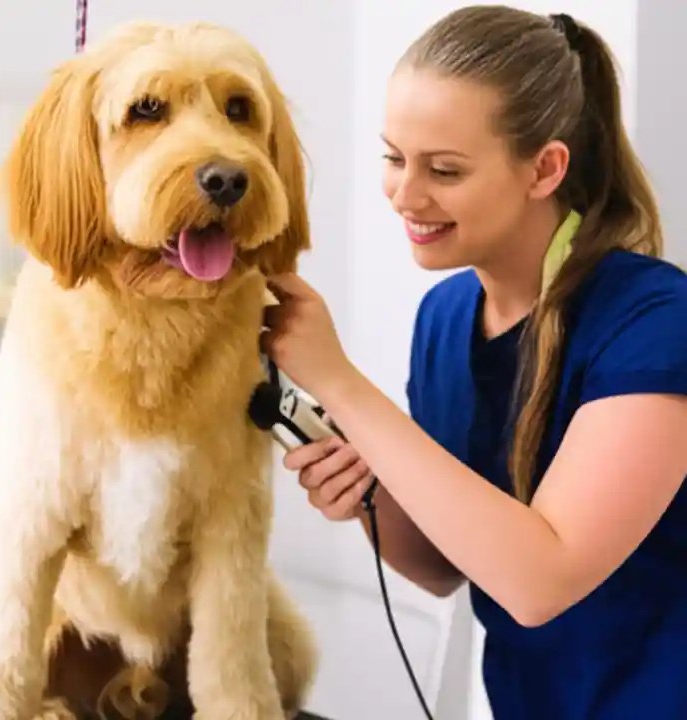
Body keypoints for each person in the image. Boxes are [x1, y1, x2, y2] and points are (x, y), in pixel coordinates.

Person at [258, 6, 687, 720]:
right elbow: (442, 566)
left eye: (445, 170)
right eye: (394, 157)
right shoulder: (448, 316)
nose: (405, 194)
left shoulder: (656, 323)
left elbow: (538, 582)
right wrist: (368, 496)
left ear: (545, 168)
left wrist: (340, 382)